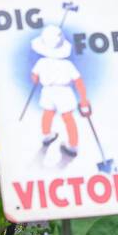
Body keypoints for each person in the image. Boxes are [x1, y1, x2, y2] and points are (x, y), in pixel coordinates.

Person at [30, 24, 90, 158]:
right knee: (67, 117)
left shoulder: (41, 63)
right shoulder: (67, 65)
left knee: (48, 113)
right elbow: (78, 81)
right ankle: (73, 145)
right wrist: (84, 99)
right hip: (64, 91)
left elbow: (34, 77)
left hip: (49, 91)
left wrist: (38, 79)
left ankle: (46, 135)